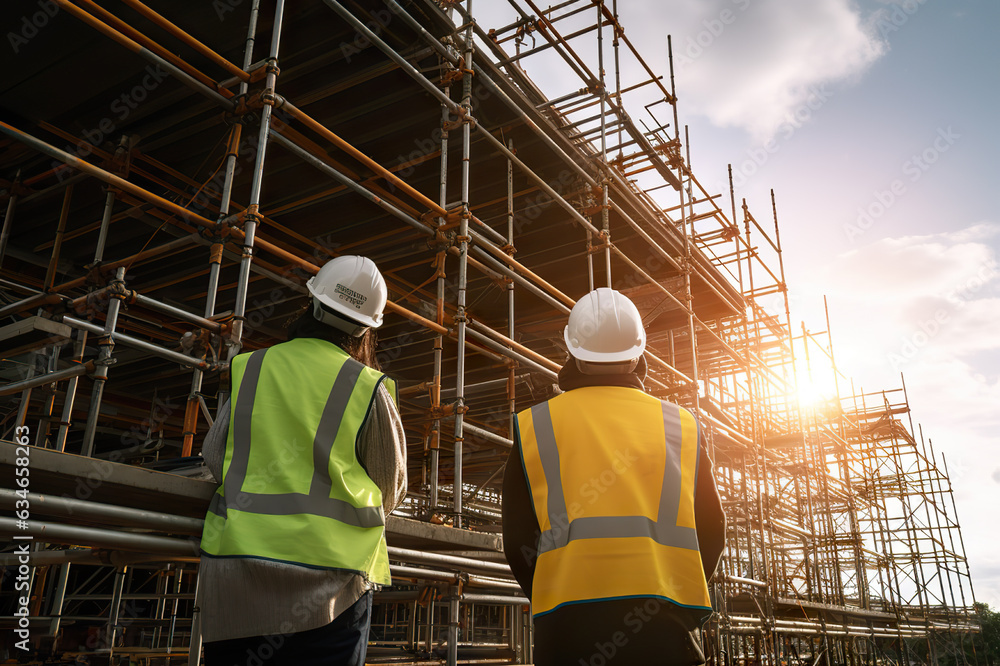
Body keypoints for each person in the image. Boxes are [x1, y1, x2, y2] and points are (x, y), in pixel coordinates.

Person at [198, 255, 407, 666]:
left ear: (312, 303)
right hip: (332, 587)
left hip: (236, 573)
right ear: (365, 329)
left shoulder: (253, 367)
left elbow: (216, 456)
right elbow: (390, 487)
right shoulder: (367, 386)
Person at [502, 287, 726, 666]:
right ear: (639, 354)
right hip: (666, 630)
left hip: (567, 634)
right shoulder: (681, 426)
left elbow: (518, 541)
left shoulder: (535, 425)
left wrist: (557, 599)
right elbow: (712, 531)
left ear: (572, 350)